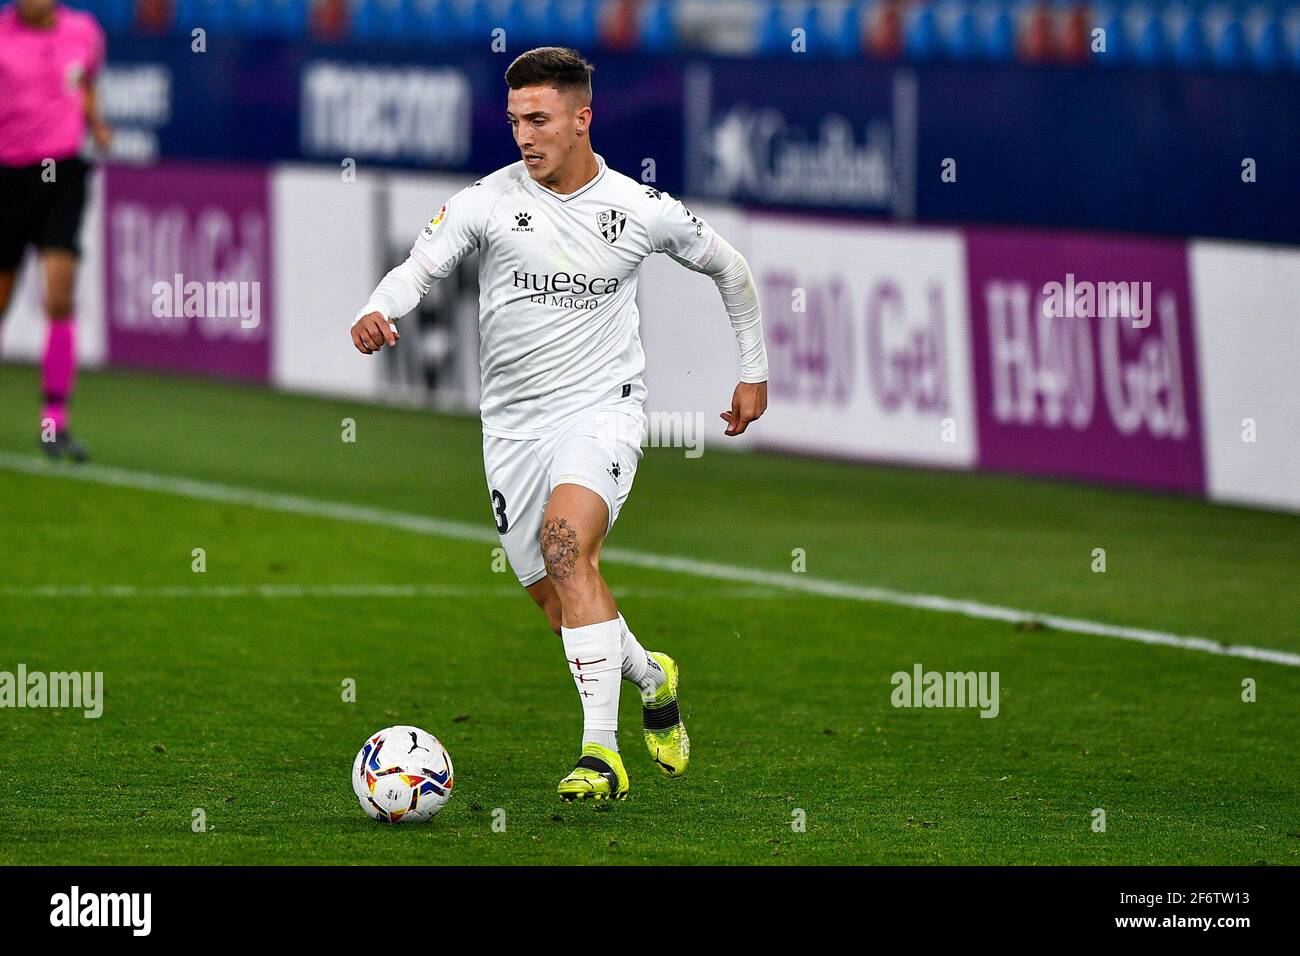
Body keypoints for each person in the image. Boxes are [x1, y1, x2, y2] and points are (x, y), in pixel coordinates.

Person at [352, 47, 769, 802]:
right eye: (515, 121)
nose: (525, 137)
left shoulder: (639, 210)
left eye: (539, 120)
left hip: (601, 411)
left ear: (583, 119)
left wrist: (753, 370)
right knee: (560, 605)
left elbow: (730, 268)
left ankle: (600, 754)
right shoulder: (487, 200)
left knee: (567, 546)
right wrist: (378, 308)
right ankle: (652, 675)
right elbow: (420, 266)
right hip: (512, 430)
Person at [0, 0, 110, 462]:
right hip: (8, 176)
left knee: (59, 297)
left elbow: (85, 84)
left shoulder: (84, 31)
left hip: (63, 175)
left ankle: (54, 426)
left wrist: (96, 124)